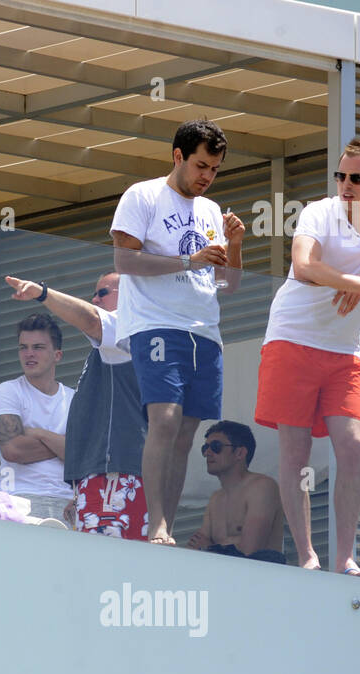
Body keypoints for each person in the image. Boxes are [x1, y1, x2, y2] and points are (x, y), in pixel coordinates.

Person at [255, 137, 360, 576]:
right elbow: (304, 266)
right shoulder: (318, 212)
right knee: (295, 452)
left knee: (353, 446)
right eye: (340, 175)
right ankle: (307, 555)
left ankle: (345, 557)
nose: (345, 184)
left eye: (356, 178)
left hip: (343, 350)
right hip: (291, 338)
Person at [110, 119, 246, 544]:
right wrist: (189, 262)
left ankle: (166, 524)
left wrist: (236, 246)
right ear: (178, 156)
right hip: (156, 323)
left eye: (215, 169)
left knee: (187, 433)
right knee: (164, 420)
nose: (207, 177)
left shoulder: (210, 211)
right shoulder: (144, 195)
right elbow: (124, 262)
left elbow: (228, 284)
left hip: (205, 330)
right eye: (202, 165)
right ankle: (156, 524)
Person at [4, 273, 150, 540]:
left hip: (114, 475)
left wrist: (42, 292)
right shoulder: (108, 347)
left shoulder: (129, 327)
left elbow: (92, 319)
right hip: (101, 478)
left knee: (107, 567)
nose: (94, 299)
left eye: (103, 292)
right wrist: (82, 489)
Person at [0, 313, 75, 524]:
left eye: (38, 347)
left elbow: (83, 458)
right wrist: (64, 445)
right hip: (19, 500)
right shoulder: (8, 391)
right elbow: (13, 450)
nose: (28, 354)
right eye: (23, 347)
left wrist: (38, 433)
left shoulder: (74, 399)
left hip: (69, 504)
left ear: (57, 355)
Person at [185, 421, 286, 563]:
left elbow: (250, 550)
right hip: (222, 578)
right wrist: (210, 548)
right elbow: (195, 547)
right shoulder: (216, 499)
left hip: (261, 577)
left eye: (216, 447)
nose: (208, 453)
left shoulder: (262, 487)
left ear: (240, 453)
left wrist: (209, 548)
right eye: (205, 448)